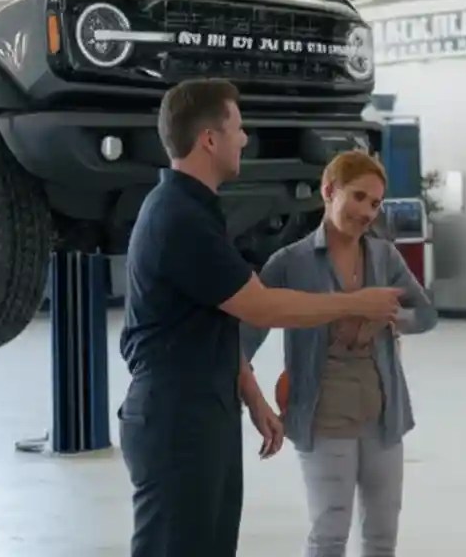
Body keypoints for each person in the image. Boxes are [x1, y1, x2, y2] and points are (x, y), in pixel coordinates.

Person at [117, 78, 406, 557]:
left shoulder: (196, 209)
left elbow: (216, 318)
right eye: (238, 127)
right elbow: (260, 305)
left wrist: (251, 395)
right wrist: (355, 302)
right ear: (209, 138)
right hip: (175, 417)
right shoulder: (178, 217)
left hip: (205, 409)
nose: (245, 139)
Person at [241, 150, 438, 557]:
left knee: (382, 534)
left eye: (376, 203)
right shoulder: (289, 263)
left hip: (384, 414)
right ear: (329, 191)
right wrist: (255, 400)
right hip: (323, 415)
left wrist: (390, 319)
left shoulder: (384, 257)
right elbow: (245, 335)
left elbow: (426, 314)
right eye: (359, 197)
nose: (367, 211)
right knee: (329, 531)